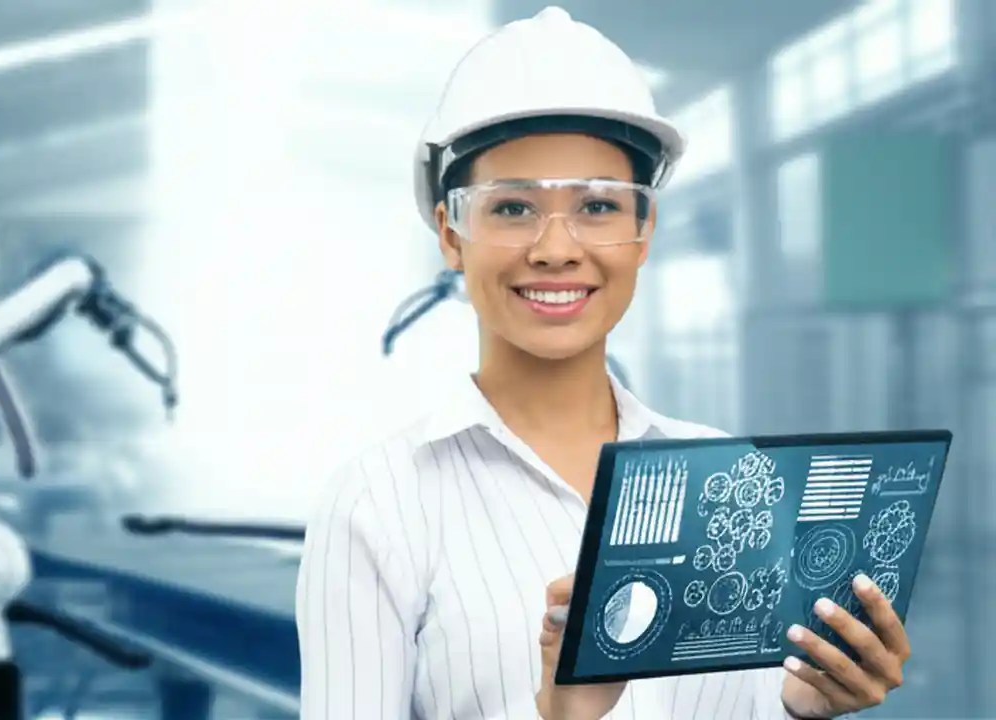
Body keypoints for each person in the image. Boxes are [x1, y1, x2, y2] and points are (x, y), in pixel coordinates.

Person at [295, 6, 913, 720]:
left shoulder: (734, 477)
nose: (556, 249)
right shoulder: (380, 504)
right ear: (451, 234)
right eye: (511, 209)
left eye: (597, 205)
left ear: (643, 230)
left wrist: (801, 708)